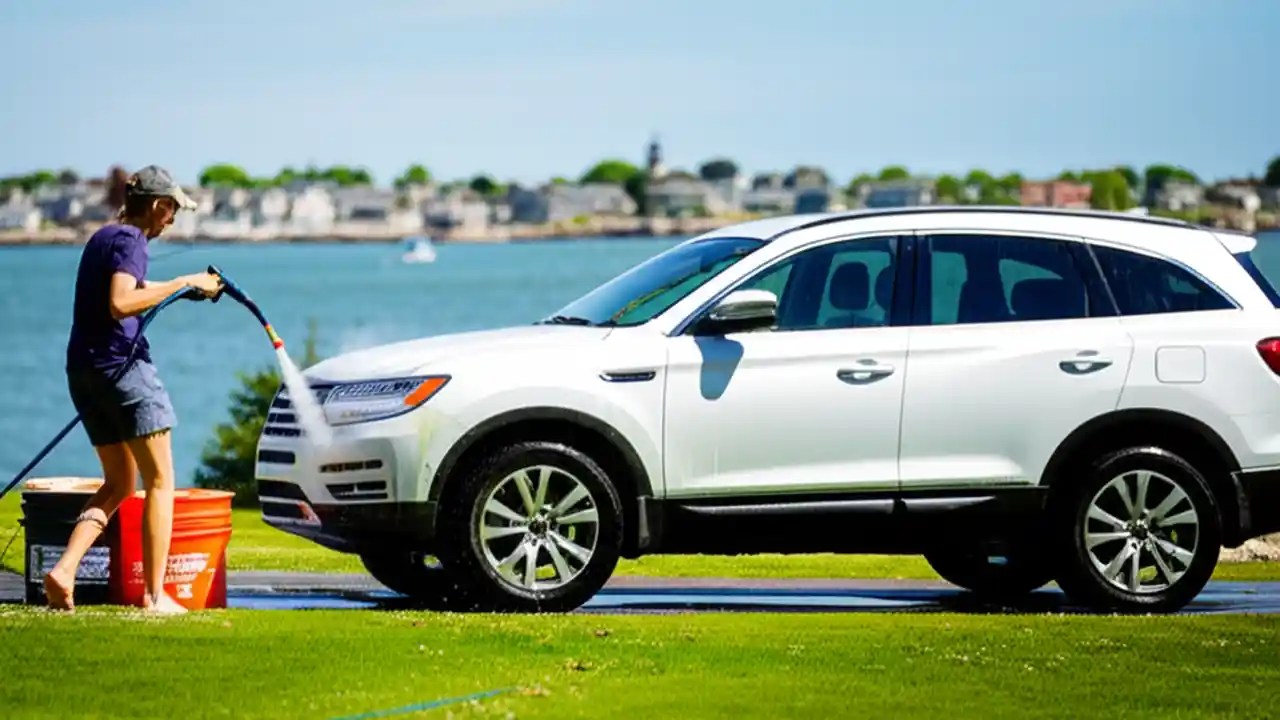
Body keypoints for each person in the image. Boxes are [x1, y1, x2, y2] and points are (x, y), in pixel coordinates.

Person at [43, 165, 222, 614]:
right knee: (160, 479)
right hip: (123, 370)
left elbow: (134, 289)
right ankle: (154, 596)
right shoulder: (133, 241)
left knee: (119, 482)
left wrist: (188, 287)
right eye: (173, 211)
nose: (173, 220)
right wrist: (184, 281)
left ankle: (63, 572)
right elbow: (121, 301)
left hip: (84, 372)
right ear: (159, 205)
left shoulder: (105, 237)